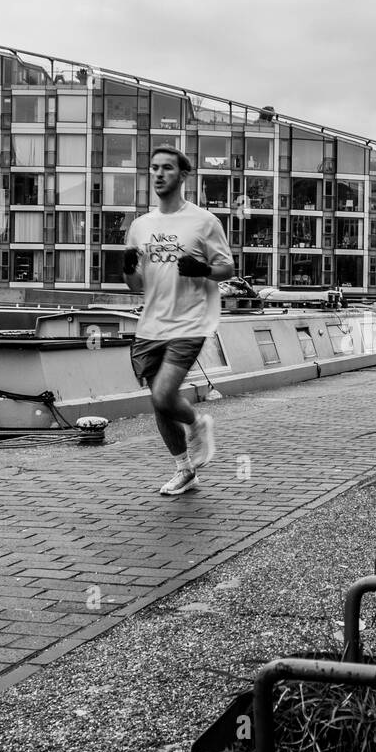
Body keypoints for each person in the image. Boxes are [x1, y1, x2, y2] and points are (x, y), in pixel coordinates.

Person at [123, 146, 234, 495]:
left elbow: (227, 268)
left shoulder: (204, 221)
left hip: (191, 320)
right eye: (154, 168)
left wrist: (203, 269)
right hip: (151, 323)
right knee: (159, 401)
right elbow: (136, 285)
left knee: (164, 392)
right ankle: (185, 470)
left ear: (183, 175)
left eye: (167, 168)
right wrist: (128, 268)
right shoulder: (141, 226)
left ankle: (198, 422)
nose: (158, 174)